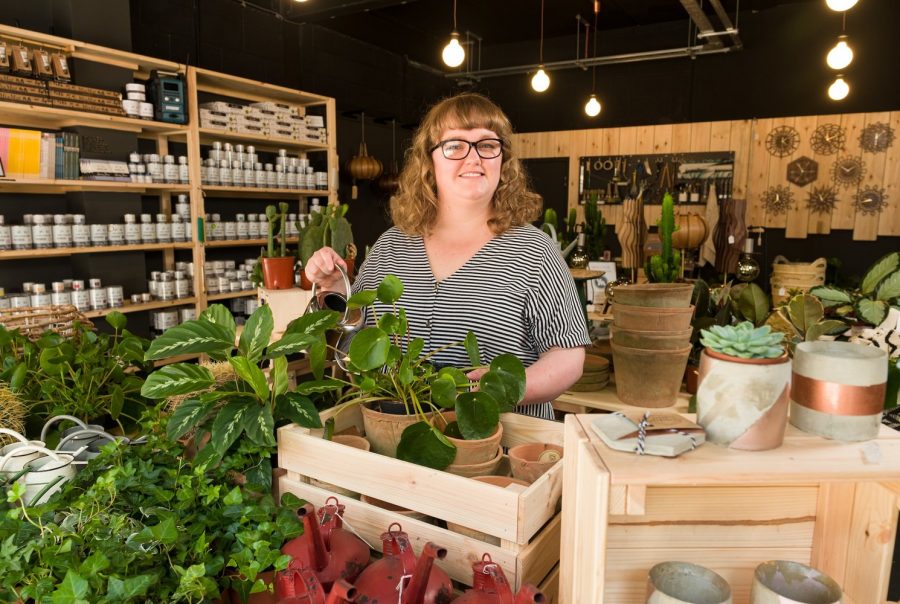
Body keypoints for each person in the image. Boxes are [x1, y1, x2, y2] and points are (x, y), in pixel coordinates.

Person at [305, 92, 589, 419]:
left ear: (503, 159)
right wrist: (334, 290)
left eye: (487, 144)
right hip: (398, 436)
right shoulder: (392, 246)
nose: (473, 158)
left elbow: (568, 357)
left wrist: (501, 389)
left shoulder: (534, 252)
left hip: (505, 447)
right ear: (430, 161)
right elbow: (356, 333)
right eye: (455, 145)